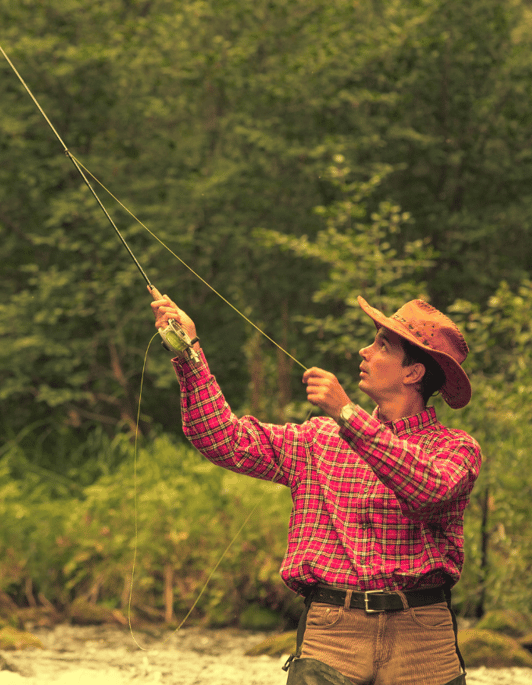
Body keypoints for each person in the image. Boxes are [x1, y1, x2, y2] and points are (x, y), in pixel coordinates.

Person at [149, 287, 480, 685]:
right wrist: (188, 353)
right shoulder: (316, 439)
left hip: (425, 641)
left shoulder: (456, 449)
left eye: (382, 345)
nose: (364, 351)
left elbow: (429, 492)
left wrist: (347, 413)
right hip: (332, 634)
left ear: (413, 373)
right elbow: (220, 438)